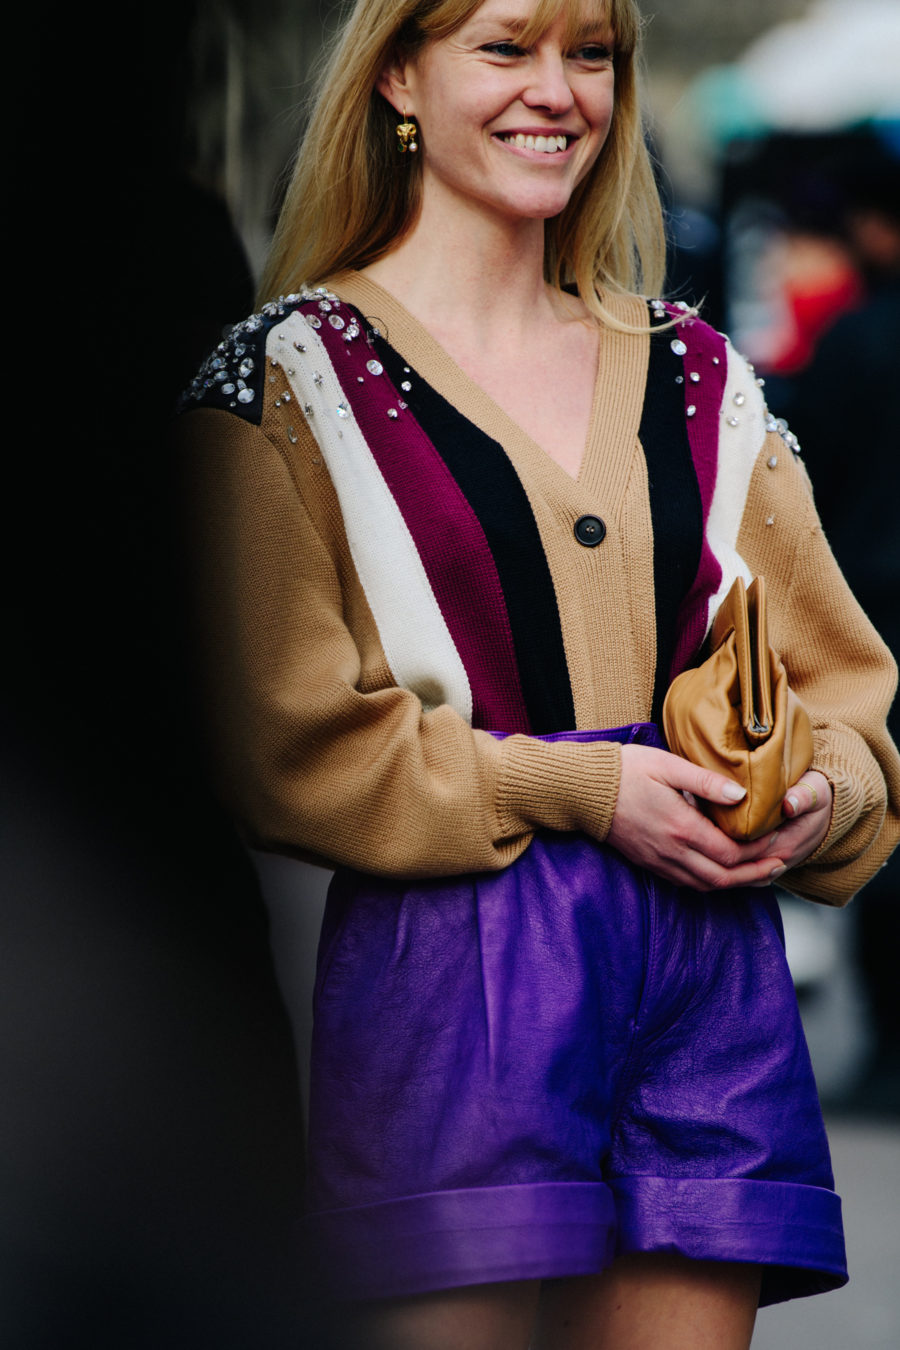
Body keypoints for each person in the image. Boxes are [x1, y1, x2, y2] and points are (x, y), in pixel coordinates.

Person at [177, 2, 900, 1346]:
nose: (558, 92)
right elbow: (278, 738)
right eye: (506, 47)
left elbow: (848, 697)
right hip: (454, 978)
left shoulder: (704, 376)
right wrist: (573, 784)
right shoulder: (287, 377)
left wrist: (820, 790)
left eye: (593, 54)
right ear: (398, 71)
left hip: (713, 981)